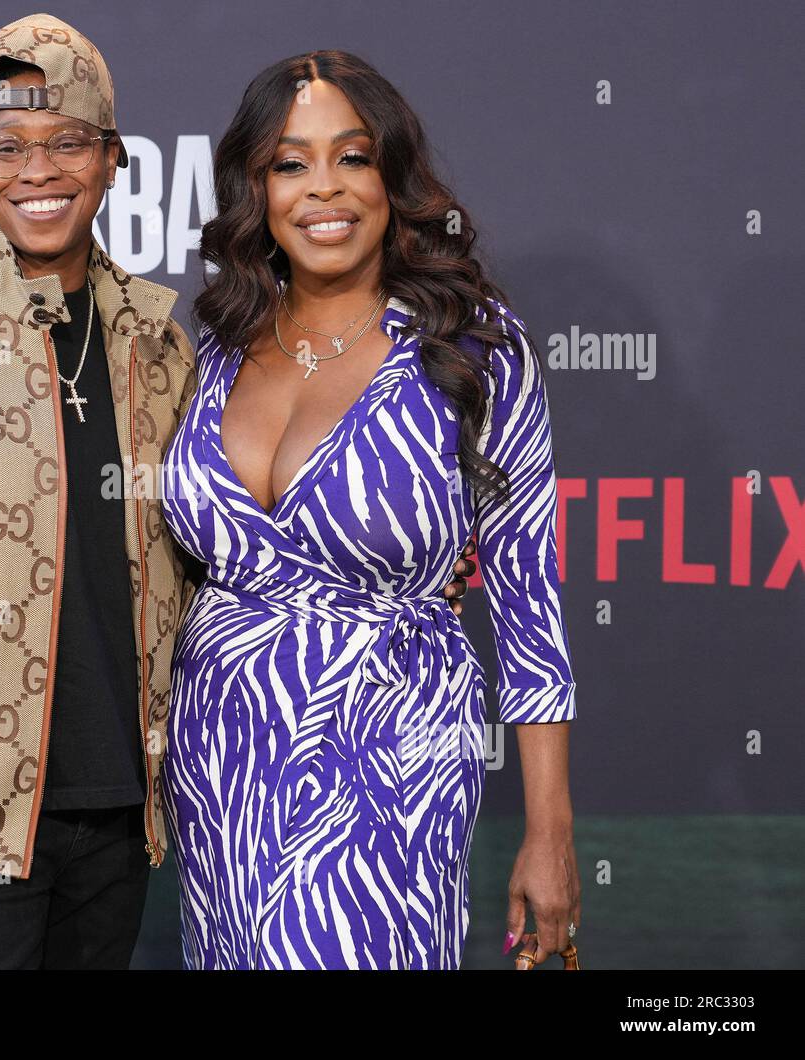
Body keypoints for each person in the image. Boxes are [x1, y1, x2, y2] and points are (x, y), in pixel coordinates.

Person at [0, 14, 473, 970]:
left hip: (129, 817)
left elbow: (223, 535)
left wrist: (401, 554)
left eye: (67, 142)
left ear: (112, 160)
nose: (36, 170)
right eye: (7, 147)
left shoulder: (162, 343)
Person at [159, 50, 581, 969]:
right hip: (221, 760)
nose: (324, 189)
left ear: (392, 177)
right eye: (289, 162)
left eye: (352, 157)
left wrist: (549, 833)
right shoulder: (224, 341)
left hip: (387, 761)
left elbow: (529, 601)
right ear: (257, 188)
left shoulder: (474, 347)